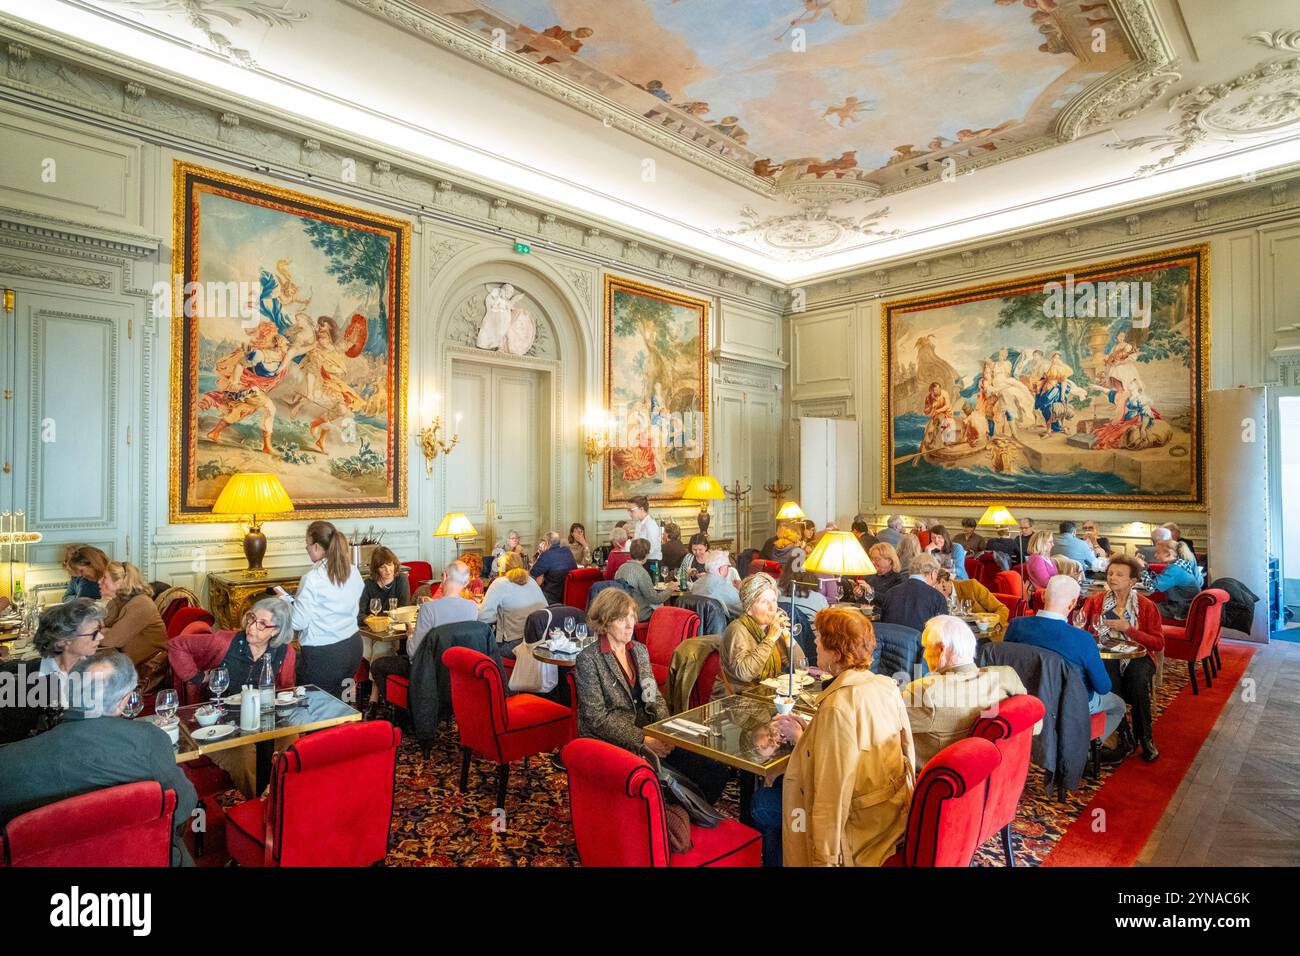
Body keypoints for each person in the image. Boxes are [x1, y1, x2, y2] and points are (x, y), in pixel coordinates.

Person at [0, 650, 198, 866]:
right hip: (144, 858)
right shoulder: (148, 740)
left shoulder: (7, 762)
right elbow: (183, 804)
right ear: (123, 701)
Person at [754, 609, 915, 867]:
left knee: (762, 803)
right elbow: (903, 752)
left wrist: (824, 859)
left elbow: (831, 794)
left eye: (821, 639)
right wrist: (810, 734)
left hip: (855, 828)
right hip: (890, 815)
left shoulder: (837, 707)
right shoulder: (885, 686)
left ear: (836, 653)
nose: (815, 642)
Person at [574, 588, 727, 801]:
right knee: (677, 785)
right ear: (605, 621)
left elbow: (653, 696)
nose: (630, 624)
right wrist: (643, 740)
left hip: (650, 731)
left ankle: (688, 820)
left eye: (631, 616)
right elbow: (596, 718)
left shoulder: (639, 650)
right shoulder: (589, 659)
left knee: (713, 768)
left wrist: (666, 733)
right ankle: (669, 821)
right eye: (621, 619)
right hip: (613, 742)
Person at [168, 598, 295, 797]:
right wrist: (197, 677)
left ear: (275, 631)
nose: (252, 627)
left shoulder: (285, 653)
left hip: (262, 724)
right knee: (244, 757)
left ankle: (286, 800)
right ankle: (260, 806)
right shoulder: (225, 642)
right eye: (252, 618)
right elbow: (177, 645)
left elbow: (285, 692)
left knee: (294, 742)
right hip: (219, 723)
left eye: (261, 624)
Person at [1005, 575, 1128, 745]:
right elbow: (1103, 687)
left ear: (1043, 596)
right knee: (1118, 705)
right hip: (1067, 704)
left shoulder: (1016, 625)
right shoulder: (1083, 639)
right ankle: (1086, 749)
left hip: (1024, 697)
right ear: (1072, 604)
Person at [903, 615, 1028, 769]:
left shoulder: (925, 692)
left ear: (941, 650)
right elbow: (1035, 726)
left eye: (926, 647)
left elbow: (882, 724)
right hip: (997, 773)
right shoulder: (1007, 676)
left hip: (935, 781)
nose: (924, 655)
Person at [1079, 555, 1165, 764]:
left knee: (1136, 681)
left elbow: (1157, 643)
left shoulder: (1145, 606)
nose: (1113, 578)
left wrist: (1129, 630)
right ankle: (1124, 737)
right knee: (1108, 680)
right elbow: (1085, 630)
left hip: (1139, 656)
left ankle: (1145, 738)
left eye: (1119, 574)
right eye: (1110, 573)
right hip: (1106, 655)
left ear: (1132, 581)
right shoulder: (1097, 601)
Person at [368, 561, 478, 718]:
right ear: (467, 582)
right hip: (457, 669)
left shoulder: (429, 608)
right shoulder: (472, 607)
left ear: (444, 576)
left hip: (428, 670)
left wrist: (410, 635)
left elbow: (413, 652)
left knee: (378, 665)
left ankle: (404, 712)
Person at [286, 520, 365, 699]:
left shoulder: (312, 579)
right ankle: (349, 727)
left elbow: (298, 622)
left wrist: (287, 605)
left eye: (307, 545)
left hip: (323, 655)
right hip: (352, 647)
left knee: (315, 709)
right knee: (345, 701)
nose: (306, 549)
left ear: (315, 547)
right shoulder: (353, 571)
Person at [714, 573, 806, 699]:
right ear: (749, 609)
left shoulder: (771, 628)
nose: (772, 607)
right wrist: (770, 639)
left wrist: (787, 636)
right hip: (736, 701)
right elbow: (744, 673)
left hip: (766, 696)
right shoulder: (737, 629)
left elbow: (798, 667)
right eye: (764, 602)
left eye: (774, 600)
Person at [98, 561, 168, 693]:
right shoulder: (119, 601)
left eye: (104, 578)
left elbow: (111, 640)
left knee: (76, 671)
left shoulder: (141, 604)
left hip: (144, 672)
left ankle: (53, 706)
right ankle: (53, 705)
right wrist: (105, 630)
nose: (99, 581)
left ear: (119, 582)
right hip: (124, 665)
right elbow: (102, 627)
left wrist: (105, 631)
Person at [33, 598, 105, 708]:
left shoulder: (99, 670)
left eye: (99, 631)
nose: (101, 636)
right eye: (94, 633)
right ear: (63, 640)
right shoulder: (26, 679)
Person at [477, 550, 546, 655]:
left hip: (513, 645)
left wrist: (499, 615)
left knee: (479, 648)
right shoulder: (531, 581)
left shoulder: (499, 583)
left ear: (503, 566)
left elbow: (483, 617)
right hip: (539, 640)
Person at [877, 554, 949, 634]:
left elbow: (883, 625)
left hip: (891, 644)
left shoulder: (890, 592)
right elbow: (942, 634)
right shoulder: (937, 597)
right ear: (933, 573)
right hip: (920, 645)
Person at [616, 538, 678, 621]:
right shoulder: (641, 572)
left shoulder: (621, 568)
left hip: (622, 613)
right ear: (647, 554)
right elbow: (655, 599)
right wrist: (669, 589)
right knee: (665, 611)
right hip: (639, 614)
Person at [933, 569, 1009, 634]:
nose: (930, 590)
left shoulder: (971, 586)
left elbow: (1002, 609)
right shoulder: (936, 599)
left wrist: (990, 624)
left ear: (942, 582)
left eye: (933, 586)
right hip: (959, 636)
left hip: (986, 636)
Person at [357, 547, 410, 625]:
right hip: (373, 628)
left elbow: (404, 609)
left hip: (397, 626)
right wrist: (366, 619)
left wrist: (378, 618)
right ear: (376, 569)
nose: (388, 570)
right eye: (382, 567)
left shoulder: (401, 579)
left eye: (390, 565)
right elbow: (358, 614)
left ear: (394, 564)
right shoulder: (368, 584)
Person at [689, 550, 742, 620]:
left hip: (699, 627)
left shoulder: (696, 585)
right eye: (727, 567)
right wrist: (740, 591)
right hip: (724, 628)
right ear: (720, 569)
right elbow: (743, 612)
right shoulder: (727, 590)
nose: (728, 569)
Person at [531, 530, 577, 605]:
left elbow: (533, 572)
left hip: (551, 597)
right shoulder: (567, 551)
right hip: (568, 596)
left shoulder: (546, 555)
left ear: (547, 543)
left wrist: (540, 554)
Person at [627, 495, 662, 575]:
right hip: (641, 561)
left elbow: (652, 548)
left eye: (631, 510)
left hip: (652, 563)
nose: (629, 513)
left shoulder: (651, 525)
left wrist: (639, 559)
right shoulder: (639, 523)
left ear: (642, 509)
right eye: (628, 510)